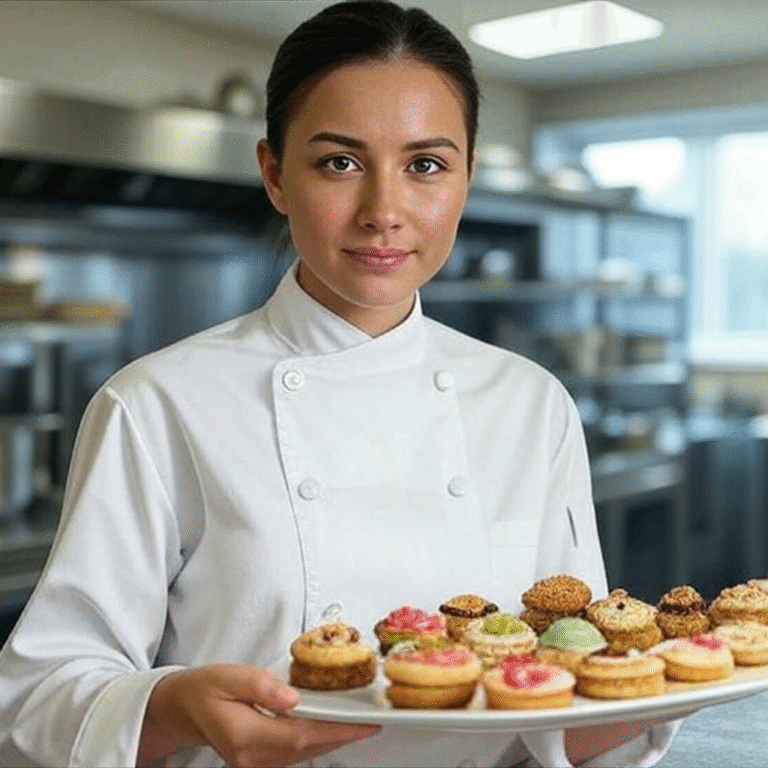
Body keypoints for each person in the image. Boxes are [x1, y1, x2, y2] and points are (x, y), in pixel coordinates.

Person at [0, 2, 684, 766]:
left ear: (466, 178)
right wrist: (172, 707)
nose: (383, 212)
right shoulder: (156, 404)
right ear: (274, 174)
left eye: (426, 165)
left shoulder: (531, 402)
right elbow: (33, 703)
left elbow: (572, 673)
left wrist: (681, 677)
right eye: (340, 162)